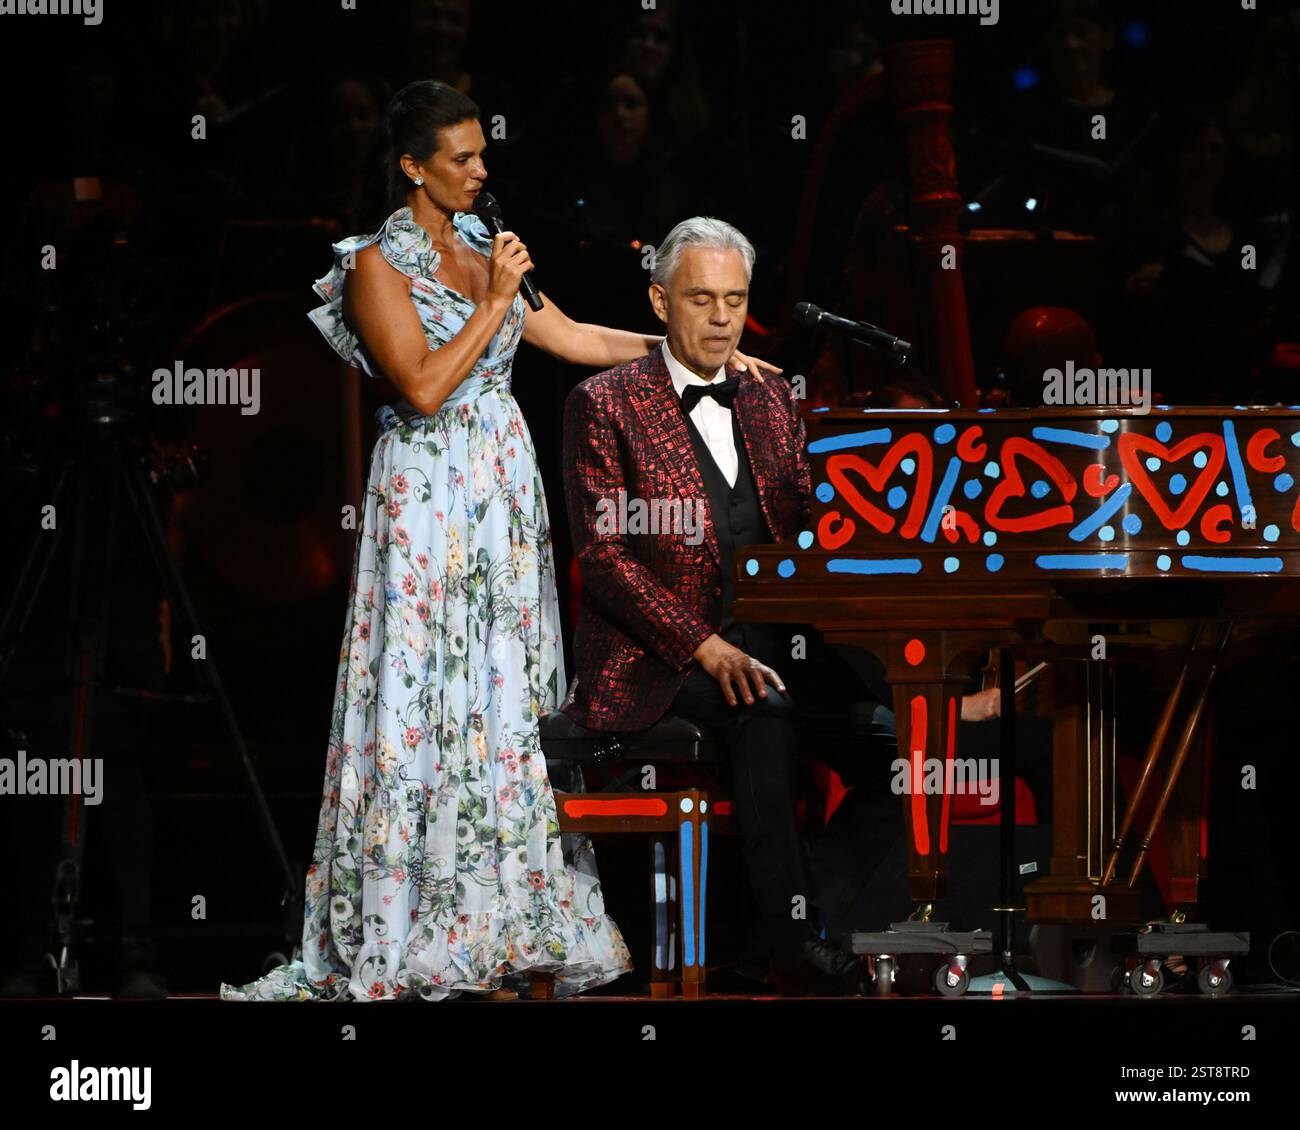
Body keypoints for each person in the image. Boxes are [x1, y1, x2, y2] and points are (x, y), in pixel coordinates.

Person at [219, 81, 774, 1002]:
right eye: (462, 157)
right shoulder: (373, 266)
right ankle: (414, 916)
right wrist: (497, 299)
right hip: (428, 492)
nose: (481, 170)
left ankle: (502, 911)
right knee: (426, 688)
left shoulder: (487, 244)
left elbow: (575, 339)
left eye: (483, 153)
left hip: (502, 495)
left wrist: (691, 356)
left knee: (503, 690)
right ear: (413, 166)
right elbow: (422, 384)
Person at [561, 217, 906, 995]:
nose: (722, 318)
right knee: (764, 715)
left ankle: (787, 927)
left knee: (904, 752)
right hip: (660, 658)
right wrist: (706, 647)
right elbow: (605, 560)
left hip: (777, 641)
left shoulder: (772, 396)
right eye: (701, 299)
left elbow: (809, 523)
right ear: (660, 302)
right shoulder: (602, 402)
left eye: (736, 300)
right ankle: (797, 951)